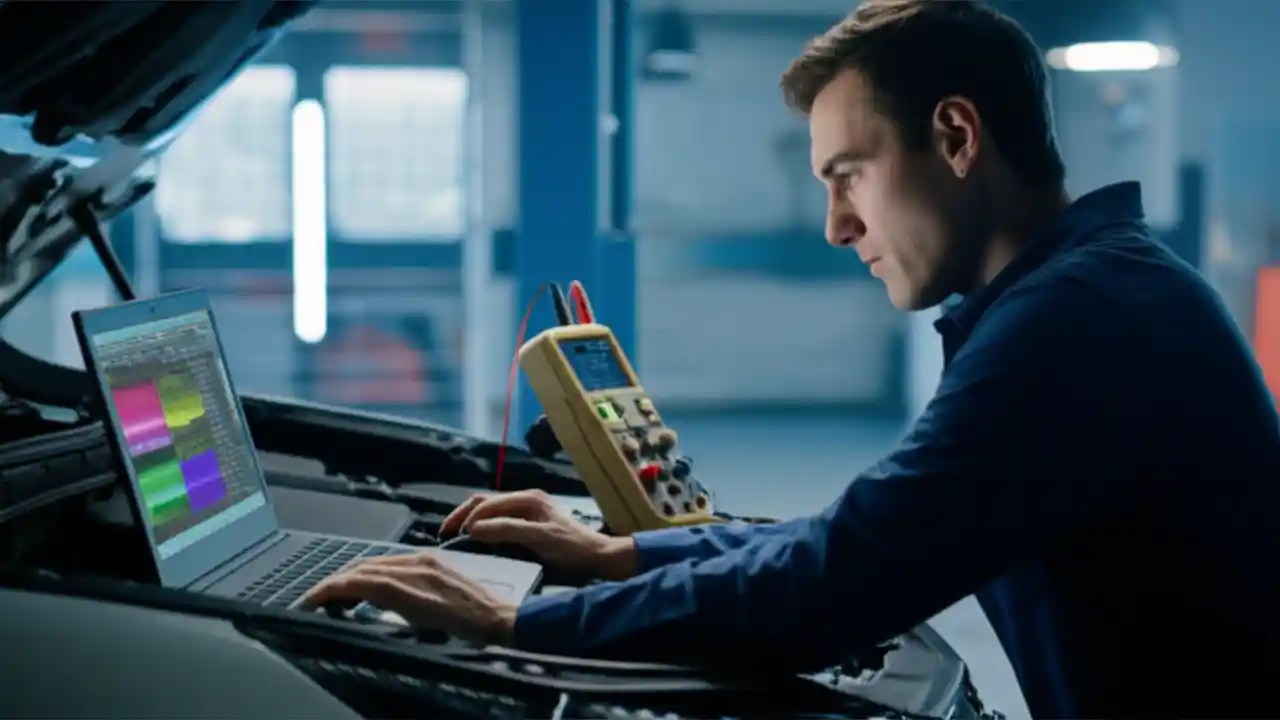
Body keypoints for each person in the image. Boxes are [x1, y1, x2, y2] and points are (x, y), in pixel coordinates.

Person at [302, 0, 1280, 716]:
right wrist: (621, 553)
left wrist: (515, 625)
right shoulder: (1089, 293)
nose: (833, 224)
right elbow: (870, 531)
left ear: (951, 137)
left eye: (846, 174)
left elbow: (835, 580)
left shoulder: (1079, 322)